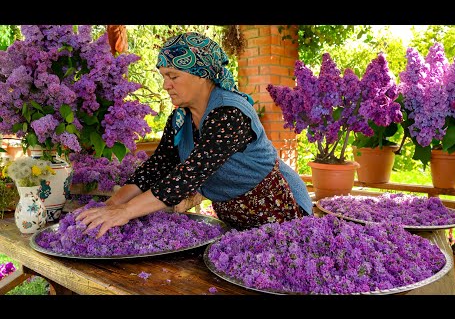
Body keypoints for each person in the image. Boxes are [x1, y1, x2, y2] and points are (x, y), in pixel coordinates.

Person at [76, 31, 313, 238]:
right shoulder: (181, 119)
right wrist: (111, 205)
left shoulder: (230, 113)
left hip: (281, 204)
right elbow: (156, 166)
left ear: (202, 75)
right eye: (163, 76)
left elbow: (190, 173)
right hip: (238, 216)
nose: (165, 85)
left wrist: (126, 212)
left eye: (173, 76)